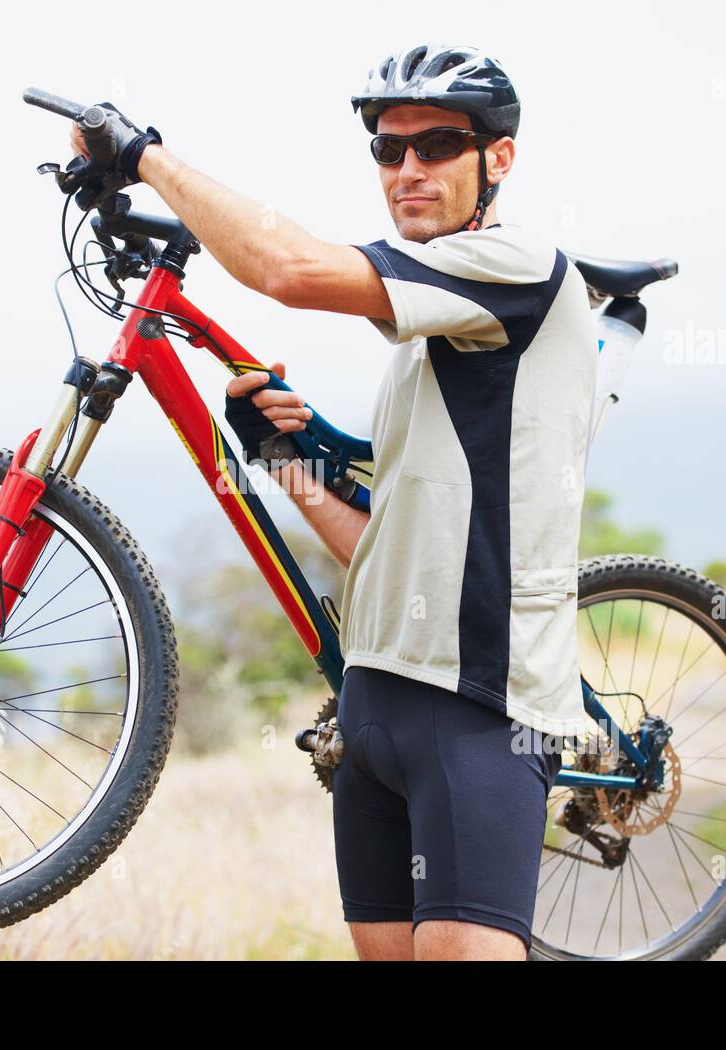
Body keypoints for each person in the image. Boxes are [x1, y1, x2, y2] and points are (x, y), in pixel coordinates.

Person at [69, 42, 598, 961]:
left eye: (437, 145)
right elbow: (382, 550)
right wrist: (285, 463)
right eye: (388, 152)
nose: (409, 170)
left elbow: (289, 270)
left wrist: (141, 153)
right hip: (373, 707)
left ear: (498, 158)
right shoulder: (423, 347)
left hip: (477, 707)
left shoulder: (516, 265)